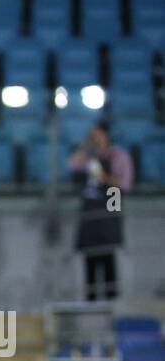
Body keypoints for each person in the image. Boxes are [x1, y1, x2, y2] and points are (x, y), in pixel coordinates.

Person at [67, 123, 134, 301]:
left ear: (106, 135)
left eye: (97, 135)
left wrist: (103, 177)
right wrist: (86, 147)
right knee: (90, 253)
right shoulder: (90, 157)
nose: (95, 138)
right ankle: (91, 298)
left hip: (112, 198)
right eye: (92, 135)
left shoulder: (119, 156)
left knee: (107, 249)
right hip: (91, 204)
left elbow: (125, 185)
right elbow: (72, 165)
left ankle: (111, 298)